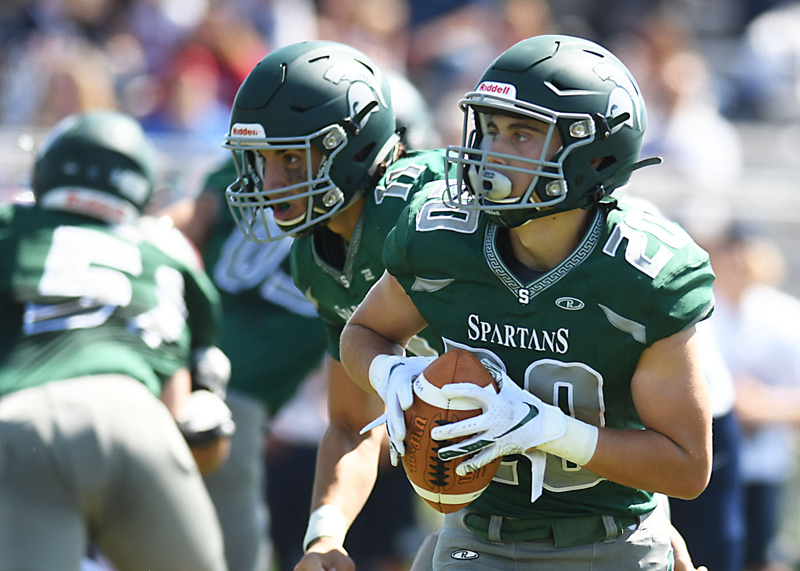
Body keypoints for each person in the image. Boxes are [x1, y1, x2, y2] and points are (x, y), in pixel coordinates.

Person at [338, 34, 715, 570]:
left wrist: (553, 430)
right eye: (489, 130)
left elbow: (687, 467)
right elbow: (362, 333)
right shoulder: (442, 240)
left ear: (593, 152)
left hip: (609, 541)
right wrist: (389, 376)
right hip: (476, 536)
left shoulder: (642, 275)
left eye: (521, 133)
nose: (491, 151)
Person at [223, 40, 449, 571]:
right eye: (261, 159)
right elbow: (353, 423)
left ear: (350, 146)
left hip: (572, 462)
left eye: (291, 158)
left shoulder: (425, 213)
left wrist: (644, 511)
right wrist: (326, 535)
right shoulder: (316, 256)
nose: (271, 184)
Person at [0, 109, 231, 571]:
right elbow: (198, 428)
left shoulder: (12, 226)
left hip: (29, 421)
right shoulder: (168, 256)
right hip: (141, 424)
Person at [159, 156, 329, 571]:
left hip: (179, 366)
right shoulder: (375, 218)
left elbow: (178, 230)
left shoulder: (259, 164)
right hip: (232, 391)